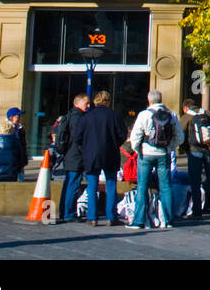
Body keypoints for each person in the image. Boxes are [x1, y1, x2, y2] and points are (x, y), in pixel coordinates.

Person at [127, 89, 183, 229]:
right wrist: (169, 147)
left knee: (142, 187)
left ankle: (139, 220)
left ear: (149, 100)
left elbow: (135, 137)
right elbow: (180, 137)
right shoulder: (172, 115)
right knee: (165, 186)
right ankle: (168, 220)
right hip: (164, 154)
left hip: (146, 154)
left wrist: (138, 149)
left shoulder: (144, 115)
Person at [80, 90, 128, 226]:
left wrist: (86, 147)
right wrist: (115, 143)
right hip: (110, 152)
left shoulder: (87, 117)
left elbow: (78, 136)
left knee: (92, 185)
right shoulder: (114, 115)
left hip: (92, 154)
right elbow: (122, 135)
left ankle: (92, 217)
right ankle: (111, 217)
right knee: (111, 184)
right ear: (108, 101)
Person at [180, 98, 210, 219]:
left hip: (194, 152)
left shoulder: (186, 117)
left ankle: (197, 211)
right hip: (209, 151)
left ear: (185, 108)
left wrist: (186, 149)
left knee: (195, 182)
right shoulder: (208, 113)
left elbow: (180, 135)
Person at [55, 93, 90, 223]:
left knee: (69, 183)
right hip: (76, 155)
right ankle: (69, 213)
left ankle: (64, 212)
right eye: (86, 103)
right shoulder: (78, 118)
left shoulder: (70, 116)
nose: (88, 105)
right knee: (73, 184)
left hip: (70, 154)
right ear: (77, 103)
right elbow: (79, 138)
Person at [7, 107, 29, 178]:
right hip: (11, 158)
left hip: (20, 159)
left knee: (21, 179)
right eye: (17, 116)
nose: (20, 118)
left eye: (20, 116)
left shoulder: (20, 128)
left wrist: (24, 158)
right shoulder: (6, 128)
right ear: (11, 117)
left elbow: (23, 144)